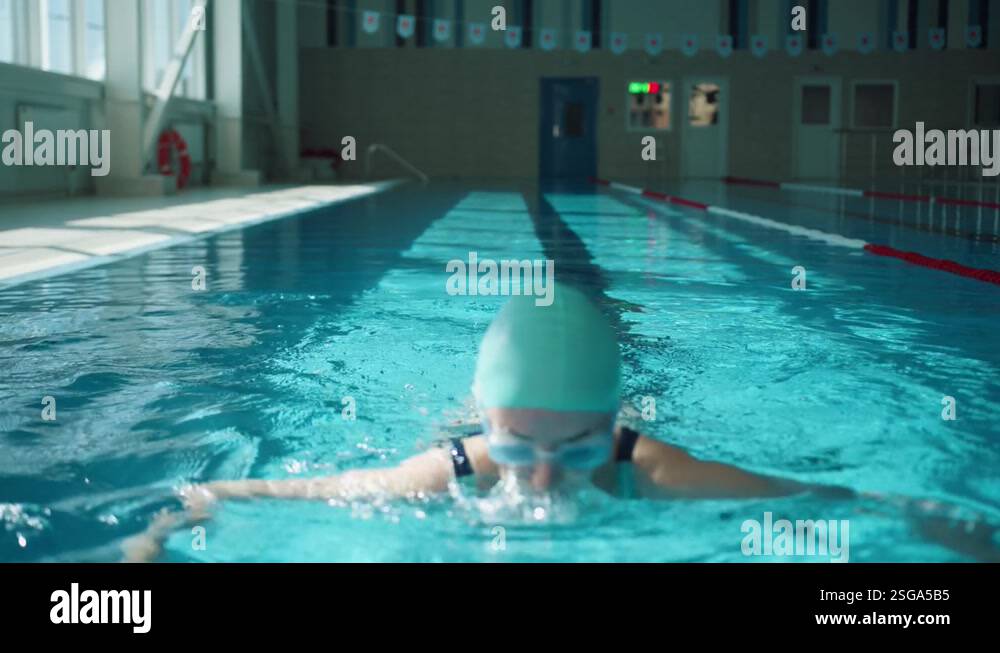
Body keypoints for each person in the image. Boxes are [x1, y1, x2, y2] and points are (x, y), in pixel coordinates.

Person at [122, 284, 995, 562]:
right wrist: (164, 526)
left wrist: (939, 526)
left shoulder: (646, 464)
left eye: (575, 447)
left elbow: (825, 500)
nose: (539, 477)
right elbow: (260, 489)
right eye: (516, 447)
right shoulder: (455, 469)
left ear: (611, 428)